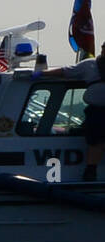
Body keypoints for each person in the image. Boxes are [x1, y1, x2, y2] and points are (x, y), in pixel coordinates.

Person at [35, 50, 105, 181]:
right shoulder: (90, 64)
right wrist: (41, 73)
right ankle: (91, 171)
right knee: (95, 141)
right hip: (97, 111)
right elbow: (65, 71)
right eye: (103, 47)